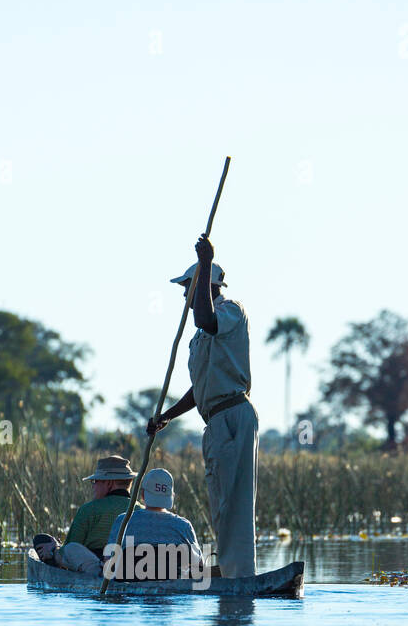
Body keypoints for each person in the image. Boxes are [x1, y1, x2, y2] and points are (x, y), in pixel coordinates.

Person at [147, 235, 257, 578]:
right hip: (214, 421)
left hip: (234, 415)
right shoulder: (198, 338)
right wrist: (166, 416)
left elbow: (204, 319)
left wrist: (206, 262)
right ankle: (229, 571)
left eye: (188, 288)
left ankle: (240, 576)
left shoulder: (229, 311)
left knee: (236, 503)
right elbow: (200, 388)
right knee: (221, 503)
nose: (184, 295)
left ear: (205, 286)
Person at [34, 454, 136, 575]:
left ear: (109, 483)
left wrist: (55, 550)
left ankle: (51, 550)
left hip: (97, 568)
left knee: (67, 548)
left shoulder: (89, 509)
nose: (93, 486)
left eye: (95, 481)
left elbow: (68, 551)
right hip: (132, 568)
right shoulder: (140, 510)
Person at [104, 467, 204, 580]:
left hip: (130, 591)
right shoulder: (183, 526)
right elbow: (199, 566)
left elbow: (109, 563)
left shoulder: (123, 521)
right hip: (171, 591)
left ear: (142, 494)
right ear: (172, 496)